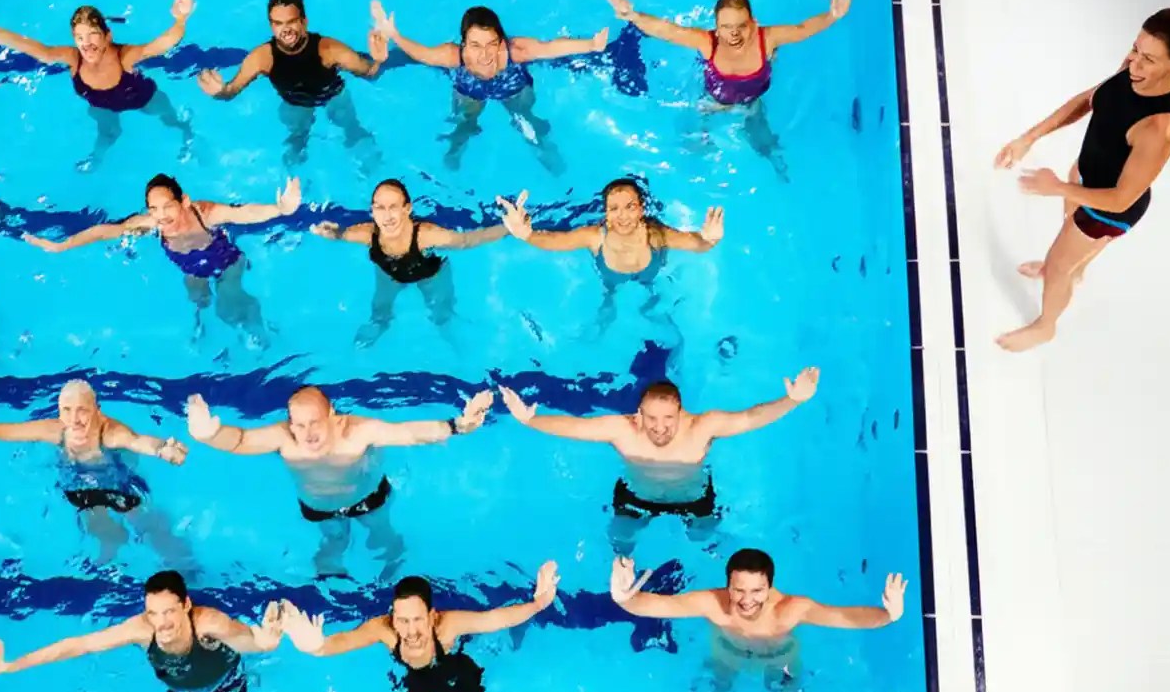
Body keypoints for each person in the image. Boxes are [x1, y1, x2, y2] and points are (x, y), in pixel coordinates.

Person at [994, 8, 1170, 352]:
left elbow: (1121, 199)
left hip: (1110, 209)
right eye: (1135, 49)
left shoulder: (1161, 126)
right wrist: (1028, 138)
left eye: (1148, 59)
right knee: (1069, 236)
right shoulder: (1135, 72)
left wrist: (1057, 187)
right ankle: (1076, 266)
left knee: (1058, 264)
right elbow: (1090, 100)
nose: (1134, 64)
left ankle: (1046, 325)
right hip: (1087, 177)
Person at [498, 367, 819, 556]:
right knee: (621, 544)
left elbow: (750, 417)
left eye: (668, 419)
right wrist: (531, 421)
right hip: (636, 498)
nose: (660, 427)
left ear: (682, 413)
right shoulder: (623, 429)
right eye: (651, 418)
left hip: (693, 499)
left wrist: (792, 400)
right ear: (639, 415)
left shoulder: (702, 427)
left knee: (701, 540)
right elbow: (575, 427)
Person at [185, 385, 492, 580]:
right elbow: (240, 440)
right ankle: (333, 580)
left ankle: (394, 565)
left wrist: (457, 425)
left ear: (331, 414)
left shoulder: (357, 432)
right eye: (300, 425)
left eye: (314, 422)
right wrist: (209, 435)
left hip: (367, 499)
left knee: (383, 534)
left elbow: (408, 433)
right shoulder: (284, 438)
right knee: (334, 541)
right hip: (318, 507)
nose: (307, 433)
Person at [604, 0, 854, 180]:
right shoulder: (707, 42)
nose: (733, 34)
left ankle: (778, 170)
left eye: (740, 26)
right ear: (716, 27)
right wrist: (633, 15)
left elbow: (802, 29)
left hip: (752, 103)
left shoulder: (766, 38)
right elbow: (668, 30)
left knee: (767, 148)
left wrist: (832, 15)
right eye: (726, 27)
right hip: (713, 101)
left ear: (753, 24)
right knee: (694, 145)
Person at [22, 173, 301, 348]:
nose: (162, 216)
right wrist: (64, 245)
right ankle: (202, 323)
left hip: (227, 262)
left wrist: (280, 209)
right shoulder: (151, 224)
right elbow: (107, 231)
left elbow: (245, 213)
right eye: (154, 209)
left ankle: (259, 329)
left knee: (228, 303)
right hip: (192, 269)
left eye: (168, 206)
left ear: (184, 201)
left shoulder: (205, 214)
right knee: (198, 298)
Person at [0, 380, 193, 569]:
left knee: (147, 526)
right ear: (60, 412)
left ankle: (186, 566)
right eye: (67, 411)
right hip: (80, 484)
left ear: (97, 411)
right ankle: (113, 556)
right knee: (101, 530)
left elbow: (138, 441)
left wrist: (163, 450)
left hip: (119, 481)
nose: (74, 419)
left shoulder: (110, 433)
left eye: (82, 411)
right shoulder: (55, 430)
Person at [611, 549, 906, 692]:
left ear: (770, 588)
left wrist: (888, 615)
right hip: (727, 655)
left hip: (779, 662)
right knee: (719, 688)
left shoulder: (789, 611)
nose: (747, 599)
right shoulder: (713, 604)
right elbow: (656, 606)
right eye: (738, 589)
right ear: (728, 586)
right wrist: (624, 597)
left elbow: (844, 618)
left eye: (756, 591)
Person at [0, 0, 196, 169]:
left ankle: (187, 134)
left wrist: (180, 19)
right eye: (80, 37)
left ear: (107, 36)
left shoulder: (125, 56)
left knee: (170, 119)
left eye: (93, 35)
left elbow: (160, 44)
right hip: (101, 104)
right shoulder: (73, 59)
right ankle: (97, 158)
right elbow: (34, 48)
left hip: (141, 97)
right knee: (108, 133)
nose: (87, 44)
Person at [369, 1, 608, 172]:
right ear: (464, 43)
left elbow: (551, 48)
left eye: (491, 44)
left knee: (525, 116)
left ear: (500, 40)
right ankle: (456, 148)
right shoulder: (453, 55)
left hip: (512, 86)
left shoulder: (515, 50)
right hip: (470, 89)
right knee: (465, 121)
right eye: (475, 45)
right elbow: (423, 54)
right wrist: (395, 36)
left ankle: (542, 146)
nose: (484, 54)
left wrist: (591, 45)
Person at [0, 570, 282, 692]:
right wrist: (9, 666)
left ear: (186, 605)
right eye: (153, 613)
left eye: (169, 611)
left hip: (226, 684)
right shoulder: (141, 630)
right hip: (180, 691)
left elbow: (247, 640)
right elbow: (79, 645)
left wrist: (264, 642)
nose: (160, 623)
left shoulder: (208, 624)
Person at [281, 561, 559, 692]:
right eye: (403, 620)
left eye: (417, 620)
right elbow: (345, 639)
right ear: (393, 616)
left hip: (455, 669)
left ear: (431, 616)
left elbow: (495, 619)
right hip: (417, 679)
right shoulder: (385, 630)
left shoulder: (448, 626)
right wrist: (316, 647)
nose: (410, 631)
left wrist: (538, 604)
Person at [499, 178, 722, 338]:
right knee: (609, 302)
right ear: (605, 212)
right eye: (614, 208)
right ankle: (605, 317)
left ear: (641, 210)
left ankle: (649, 310)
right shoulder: (595, 237)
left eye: (630, 207)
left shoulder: (656, 235)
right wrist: (525, 234)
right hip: (611, 278)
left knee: (652, 299)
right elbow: (556, 241)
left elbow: (696, 245)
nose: (622, 216)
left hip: (649, 274)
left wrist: (710, 240)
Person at [196, 0, 386, 169]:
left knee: (352, 129)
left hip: (332, 95)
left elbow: (369, 72)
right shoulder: (263, 58)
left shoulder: (329, 50)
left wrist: (377, 61)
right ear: (271, 26)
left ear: (304, 22)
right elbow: (231, 90)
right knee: (295, 142)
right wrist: (220, 92)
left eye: (291, 22)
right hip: (294, 103)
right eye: (278, 23)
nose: (285, 30)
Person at [310, 179, 509, 347]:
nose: (386, 216)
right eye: (379, 207)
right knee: (380, 309)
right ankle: (379, 325)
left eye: (393, 207)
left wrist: (510, 227)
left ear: (407, 209)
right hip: (389, 273)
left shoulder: (425, 235)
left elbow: (467, 241)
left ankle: (451, 336)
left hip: (430, 273)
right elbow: (342, 233)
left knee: (441, 313)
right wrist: (334, 233)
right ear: (372, 210)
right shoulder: (367, 234)